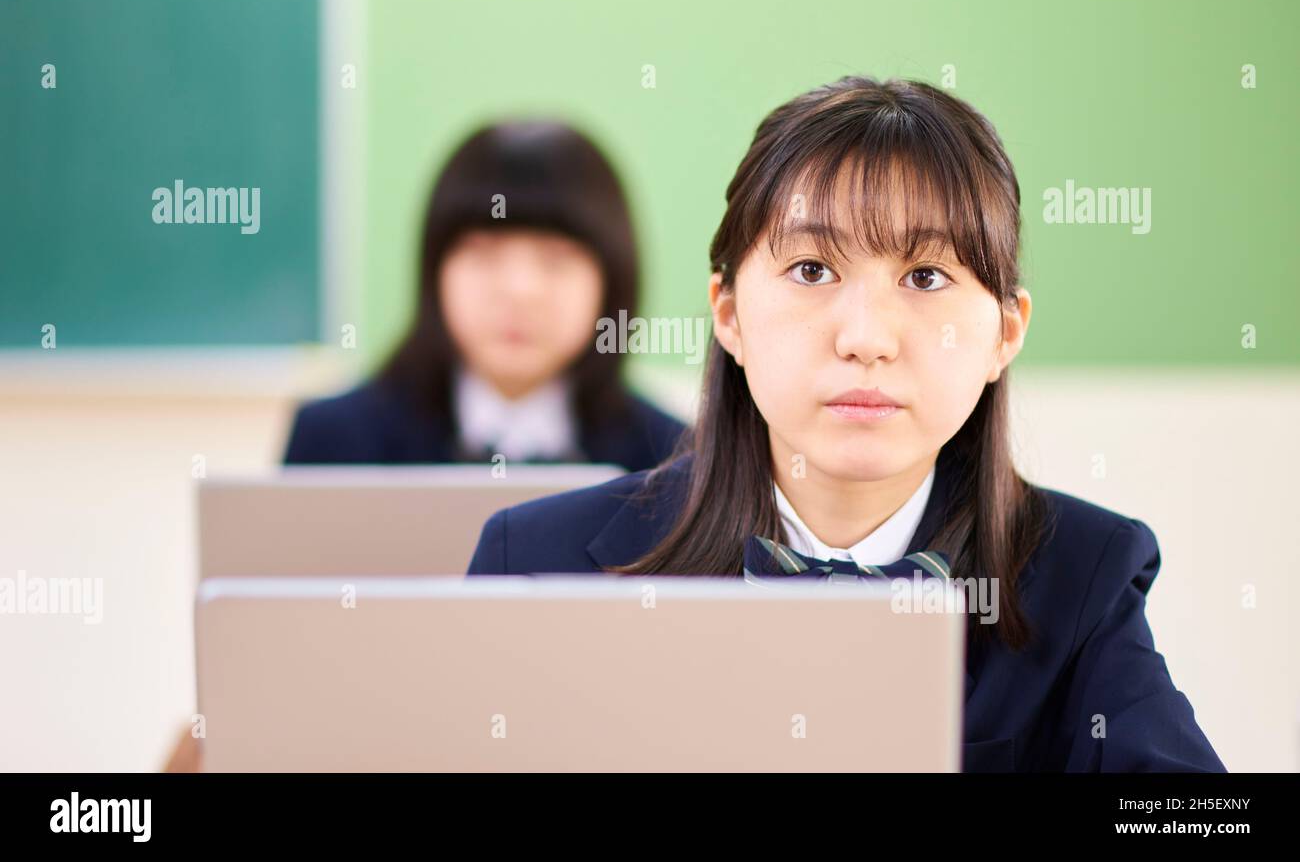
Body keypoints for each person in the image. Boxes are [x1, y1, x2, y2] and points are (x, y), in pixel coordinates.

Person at [468, 76, 1227, 773]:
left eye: (925, 277)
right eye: (812, 271)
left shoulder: (1082, 576)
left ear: (1004, 332)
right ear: (729, 312)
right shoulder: (538, 562)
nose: (865, 337)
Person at [284, 120, 684, 471]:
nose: (520, 290)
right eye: (485, 253)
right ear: (435, 269)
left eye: (556, 259)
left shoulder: (672, 459)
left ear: (611, 279)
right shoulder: (333, 444)